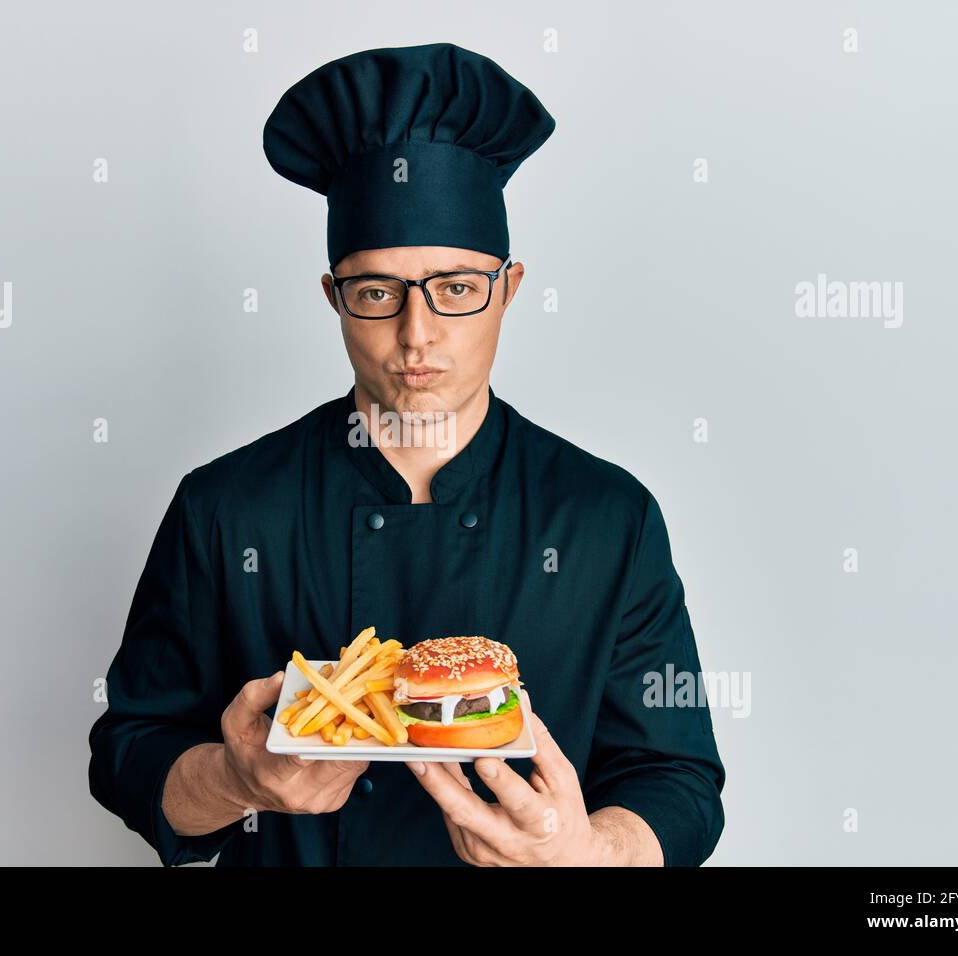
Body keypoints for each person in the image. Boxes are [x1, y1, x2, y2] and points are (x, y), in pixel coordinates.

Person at [88, 42, 726, 866]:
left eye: (457, 288)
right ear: (334, 297)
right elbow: (128, 753)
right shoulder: (226, 508)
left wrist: (591, 855)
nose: (416, 335)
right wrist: (236, 778)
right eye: (378, 292)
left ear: (510, 288)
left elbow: (677, 780)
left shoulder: (608, 517)